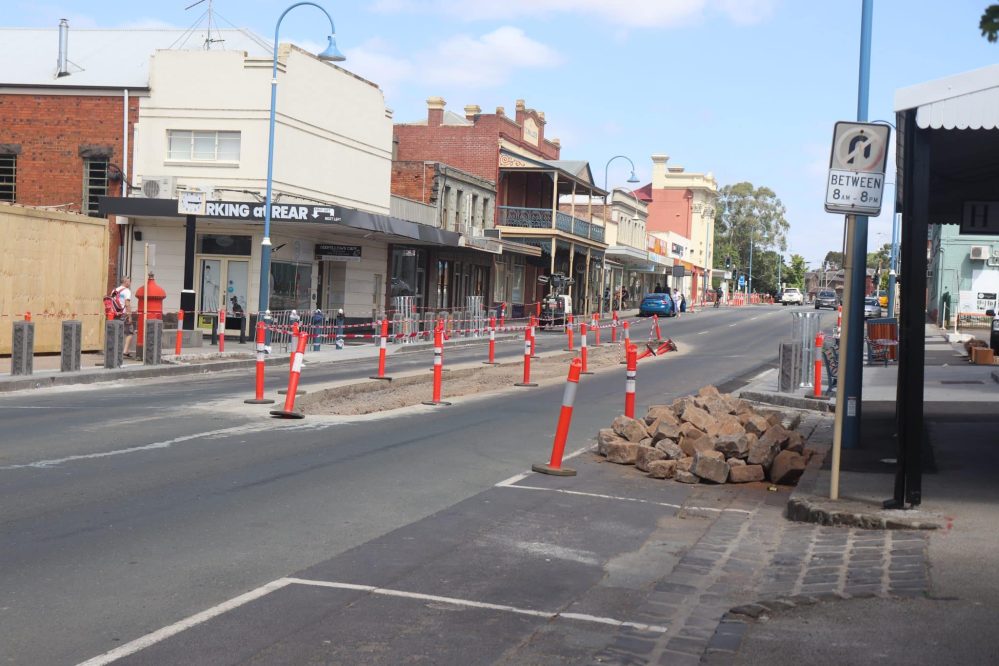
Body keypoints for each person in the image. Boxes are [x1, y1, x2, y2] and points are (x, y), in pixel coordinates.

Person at [113, 277, 135, 357]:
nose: (130, 283)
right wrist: (130, 316)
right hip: (124, 313)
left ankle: (115, 350)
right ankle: (125, 351)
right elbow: (127, 304)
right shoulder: (127, 291)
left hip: (116, 314)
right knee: (130, 332)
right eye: (129, 281)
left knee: (117, 331)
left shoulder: (114, 290)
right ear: (125, 282)